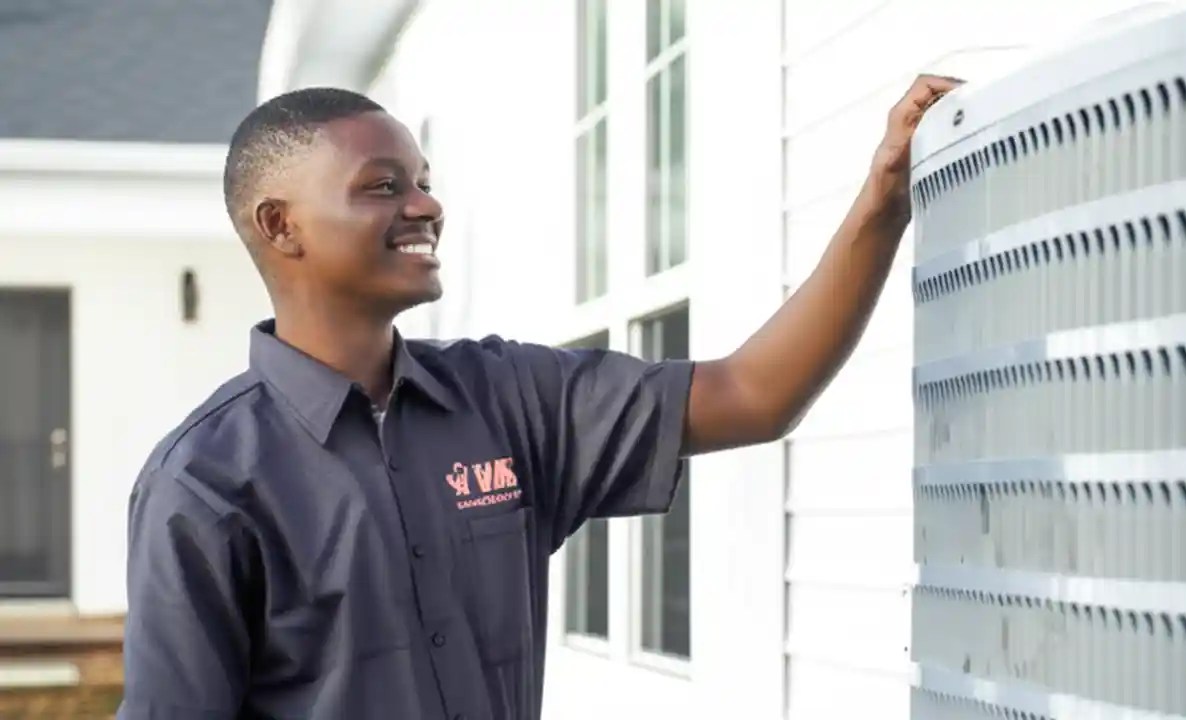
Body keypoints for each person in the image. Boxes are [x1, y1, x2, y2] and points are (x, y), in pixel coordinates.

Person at [117, 74, 960, 720]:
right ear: (280, 225)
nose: (427, 205)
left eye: (422, 179)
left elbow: (752, 393)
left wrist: (884, 201)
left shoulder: (508, 397)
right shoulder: (205, 483)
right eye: (383, 186)